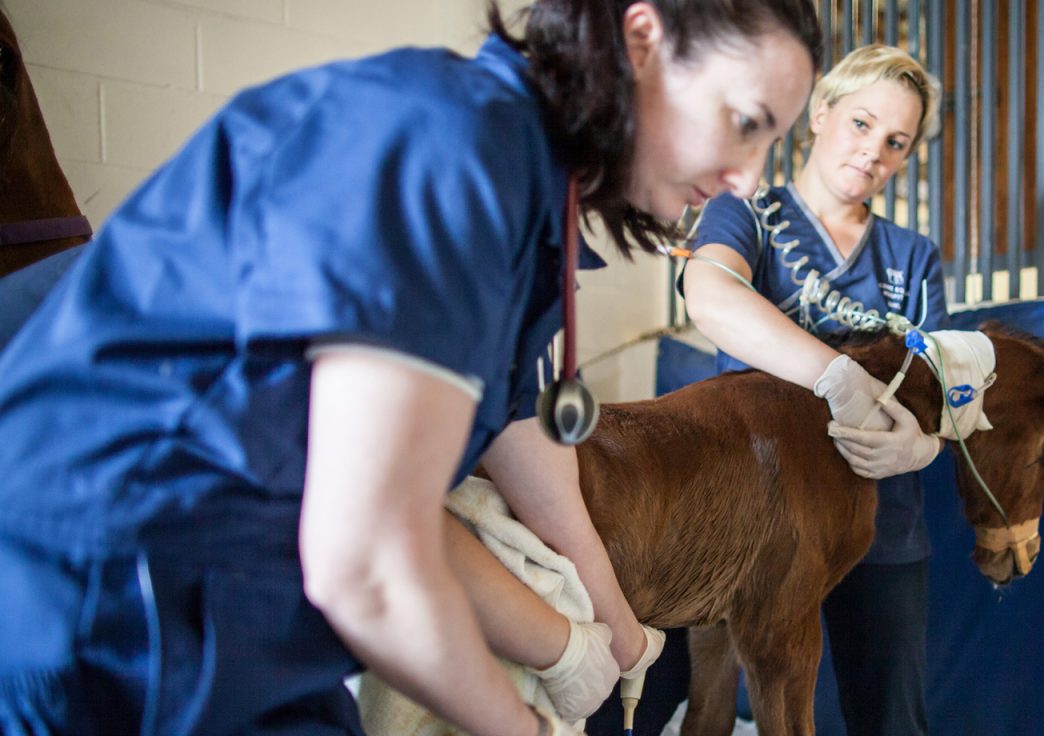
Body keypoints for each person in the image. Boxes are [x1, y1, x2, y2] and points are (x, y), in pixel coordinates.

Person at [0, 1, 821, 734]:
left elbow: (434, 477)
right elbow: (367, 557)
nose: (746, 179)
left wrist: (594, 636)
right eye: (746, 123)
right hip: (120, 616)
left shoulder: (520, 188)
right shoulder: (452, 151)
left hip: (235, 610)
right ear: (642, 41)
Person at [680, 44, 946, 736]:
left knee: (892, 717)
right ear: (820, 114)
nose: (874, 153)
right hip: (753, 516)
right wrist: (838, 377)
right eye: (861, 124)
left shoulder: (913, 258)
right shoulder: (744, 212)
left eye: (897, 141)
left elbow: (941, 387)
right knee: (711, 705)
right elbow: (709, 294)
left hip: (881, 521)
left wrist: (923, 445)